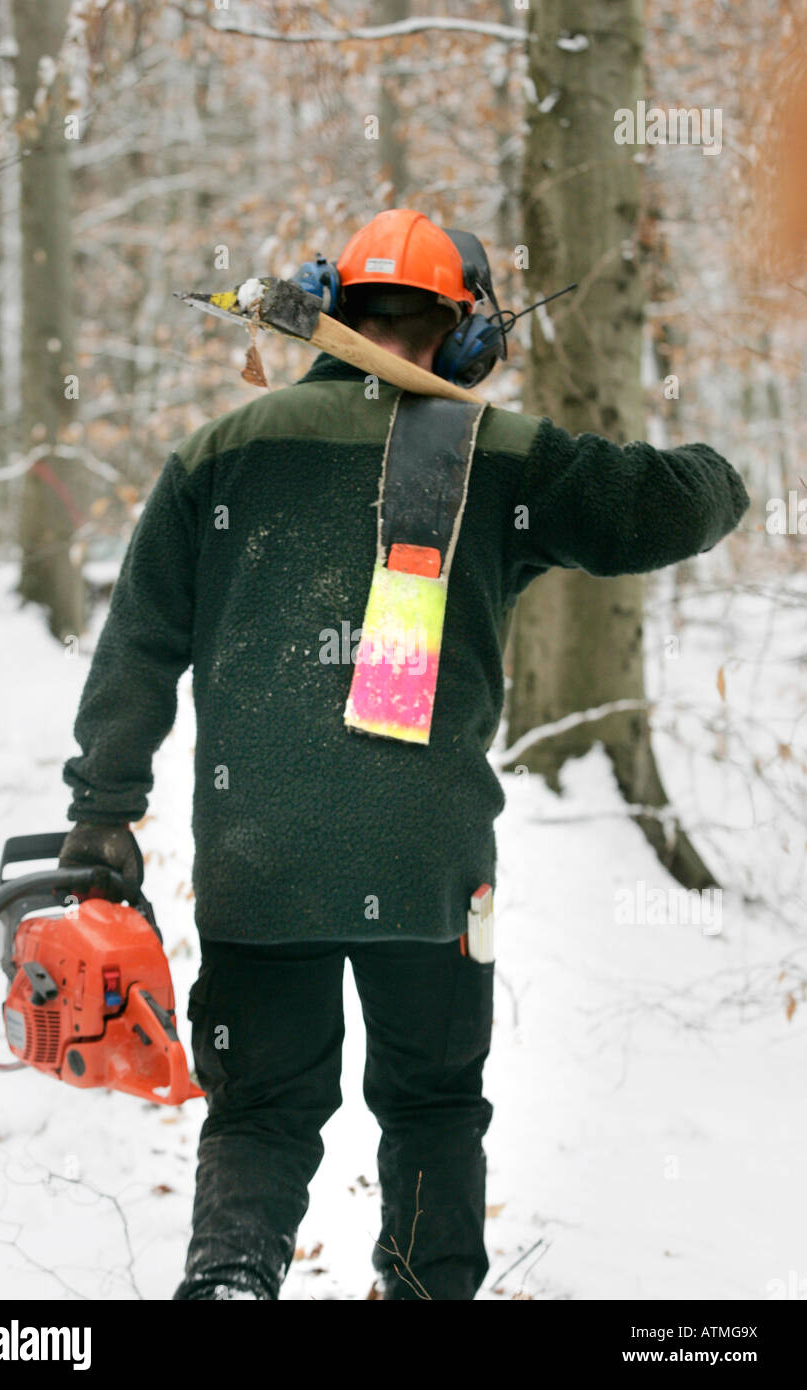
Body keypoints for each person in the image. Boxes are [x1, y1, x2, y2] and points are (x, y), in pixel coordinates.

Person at [59, 209, 750, 1300]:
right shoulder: (495, 452)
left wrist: (102, 807)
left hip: (257, 858)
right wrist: (724, 470)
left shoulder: (219, 453)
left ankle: (229, 1282)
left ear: (331, 306)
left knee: (260, 1111)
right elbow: (660, 508)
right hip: (429, 865)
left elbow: (138, 641)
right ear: (465, 332)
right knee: (433, 1106)